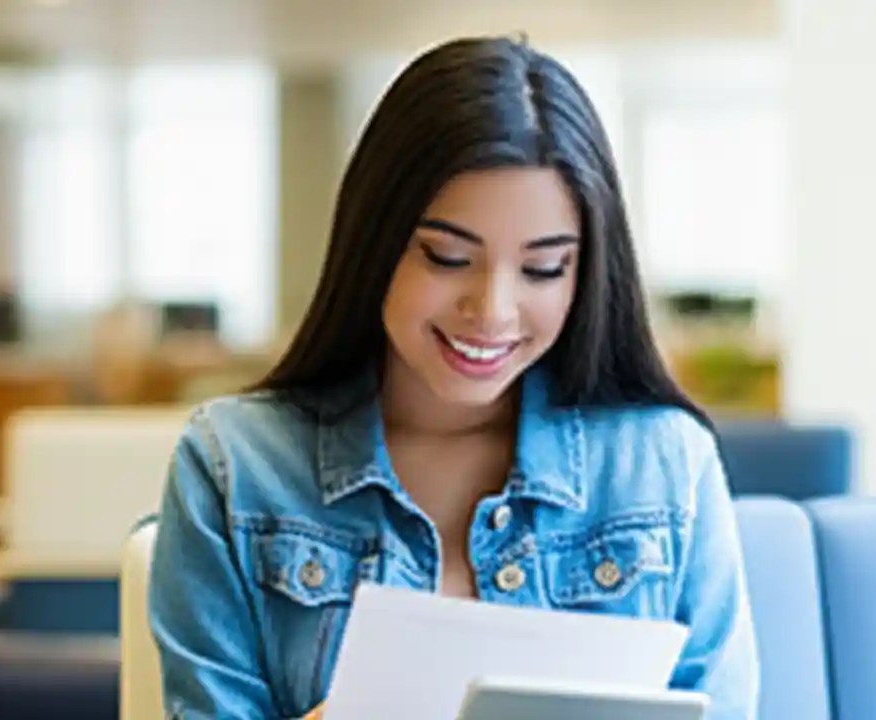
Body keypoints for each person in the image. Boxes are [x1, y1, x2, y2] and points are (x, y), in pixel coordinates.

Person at [148, 34, 758, 720]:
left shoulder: (662, 467)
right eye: (446, 257)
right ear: (374, 243)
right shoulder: (236, 468)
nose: (492, 312)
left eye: (543, 269)